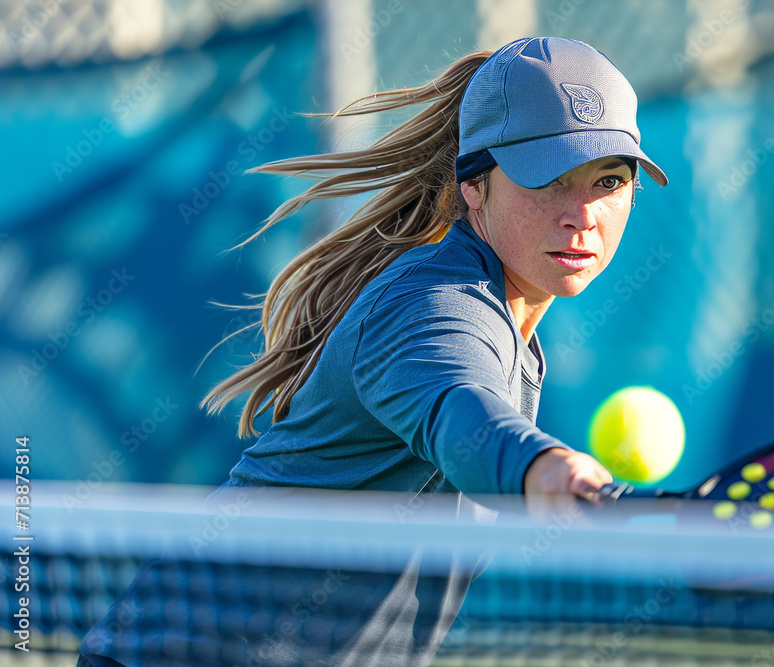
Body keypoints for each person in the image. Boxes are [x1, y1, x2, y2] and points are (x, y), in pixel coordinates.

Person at [78, 35, 667, 666]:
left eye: (607, 180)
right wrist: (539, 466)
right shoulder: (433, 305)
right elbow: (457, 406)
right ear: (475, 183)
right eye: (548, 179)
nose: (582, 215)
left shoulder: (516, 333)